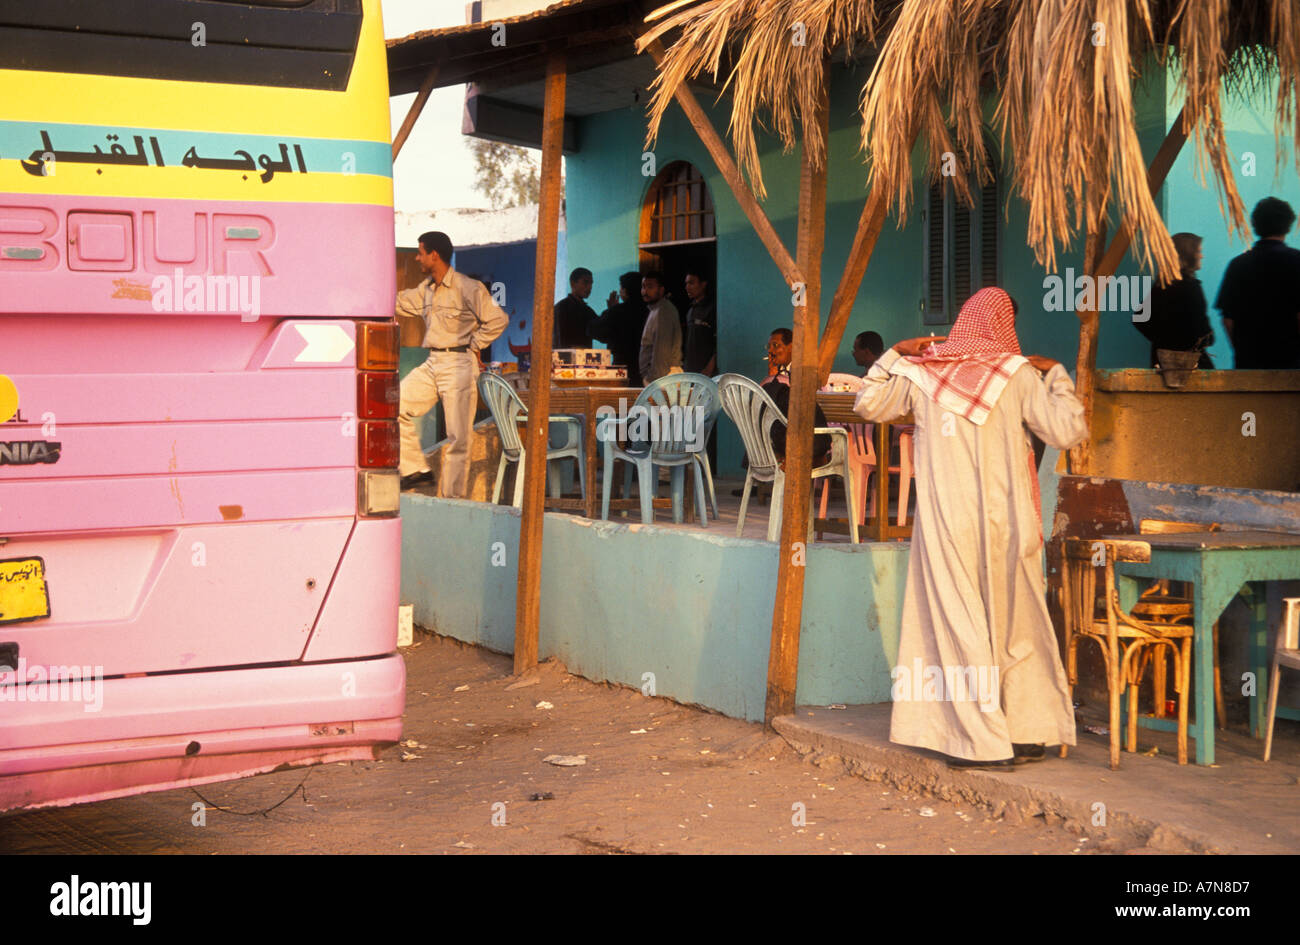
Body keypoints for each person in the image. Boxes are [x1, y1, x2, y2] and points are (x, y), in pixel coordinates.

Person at [854, 287, 1087, 768]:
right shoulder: (1018, 375)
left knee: (959, 623)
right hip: (1011, 522)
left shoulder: (923, 374)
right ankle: (1025, 730)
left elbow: (868, 404)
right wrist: (1057, 375)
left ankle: (980, 741)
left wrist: (896, 353)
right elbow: (1067, 431)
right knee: (1016, 627)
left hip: (947, 522)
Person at [395, 231, 508, 496]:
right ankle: (416, 471)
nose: (417, 257)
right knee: (394, 406)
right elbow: (394, 301)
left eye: (421, 252)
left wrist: (474, 344)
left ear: (434, 254)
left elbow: (498, 319)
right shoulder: (426, 290)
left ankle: (451, 499)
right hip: (433, 361)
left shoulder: (468, 287)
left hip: (459, 363)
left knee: (459, 437)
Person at [1214, 197, 1300, 369]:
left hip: (1248, 363)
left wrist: (1243, 351)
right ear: (1288, 225)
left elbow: (1227, 320)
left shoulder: (1237, 265)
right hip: (1291, 365)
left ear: (1255, 224)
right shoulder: (1296, 261)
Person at [1134, 232, 1213, 369]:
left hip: (1162, 363)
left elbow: (1139, 319)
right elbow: (1203, 334)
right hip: (1190, 365)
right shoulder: (1191, 287)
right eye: (1198, 251)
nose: (1202, 256)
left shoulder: (1162, 285)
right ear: (1189, 255)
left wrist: (1163, 342)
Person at [760, 328, 830, 465]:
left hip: (804, 433)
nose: (771, 351)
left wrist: (775, 379)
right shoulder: (778, 373)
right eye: (769, 346)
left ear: (791, 347)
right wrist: (773, 377)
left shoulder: (804, 369)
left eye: (776, 346)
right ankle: (772, 456)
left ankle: (776, 457)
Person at [588, 271, 649, 386]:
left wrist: (610, 309)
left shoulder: (617, 312)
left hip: (622, 367)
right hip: (646, 369)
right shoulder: (650, 310)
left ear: (625, 291)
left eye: (621, 288)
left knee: (622, 401)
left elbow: (593, 330)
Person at [638, 270, 682, 384]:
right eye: (643, 287)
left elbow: (662, 351)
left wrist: (652, 380)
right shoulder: (655, 310)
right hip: (660, 377)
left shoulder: (664, 311)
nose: (645, 291)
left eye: (650, 287)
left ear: (661, 290)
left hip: (663, 378)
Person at [683, 267, 717, 375]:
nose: (687, 287)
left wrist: (709, 368)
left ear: (703, 284)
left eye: (691, 283)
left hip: (705, 372)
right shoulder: (690, 310)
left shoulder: (712, 309)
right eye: (686, 284)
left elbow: (717, 344)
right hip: (689, 371)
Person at [553, 267, 595, 349]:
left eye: (591, 283)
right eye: (586, 282)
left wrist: (611, 310)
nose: (589, 287)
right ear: (572, 284)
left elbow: (600, 331)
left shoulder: (588, 311)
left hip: (585, 360)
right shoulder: (561, 308)